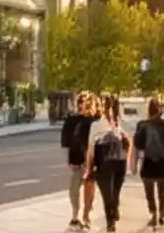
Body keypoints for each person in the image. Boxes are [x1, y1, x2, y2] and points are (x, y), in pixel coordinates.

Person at [86, 95, 133, 233]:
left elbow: (91, 149)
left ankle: (110, 222)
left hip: (103, 162)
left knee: (107, 194)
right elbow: (129, 144)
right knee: (115, 192)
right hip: (120, 161)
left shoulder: (96, 126)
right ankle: (114, 210)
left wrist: (89, 168)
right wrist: (128, 161)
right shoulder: (122, 124)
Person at [133, 99, 164, 230]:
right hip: (163, 162)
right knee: (162, 190)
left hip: (148, 162)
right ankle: (162, 211)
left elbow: (138, 144)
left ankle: (153, 213)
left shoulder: (143, 126)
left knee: (149, 191)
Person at [61, 92, 98, 230]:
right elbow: (66, 142)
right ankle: (75, 216)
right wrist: (68, 160)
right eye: (81, 102)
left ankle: (86, 216)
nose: (83, 105)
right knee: (74, 189)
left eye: (86, 102)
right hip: (76, 161)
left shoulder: (94, 120)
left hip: (90, 161)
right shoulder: (71, 120)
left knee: (89, 190)